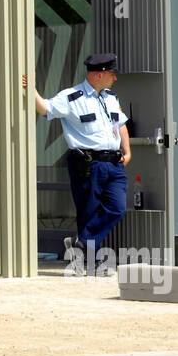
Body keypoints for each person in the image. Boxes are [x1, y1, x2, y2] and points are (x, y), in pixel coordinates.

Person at [22, 53, 130, 268]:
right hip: (89, 163)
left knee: (117, 207)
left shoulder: (110, 97)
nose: (115, 78)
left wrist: (127, 152)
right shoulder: (72, 97)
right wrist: (31, 88)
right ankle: (90, 261)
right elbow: (45, 109)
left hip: (114, 163)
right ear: (99, 75)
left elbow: (120, 124)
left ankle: (82, 243)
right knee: (88, 211)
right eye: (112, 74)